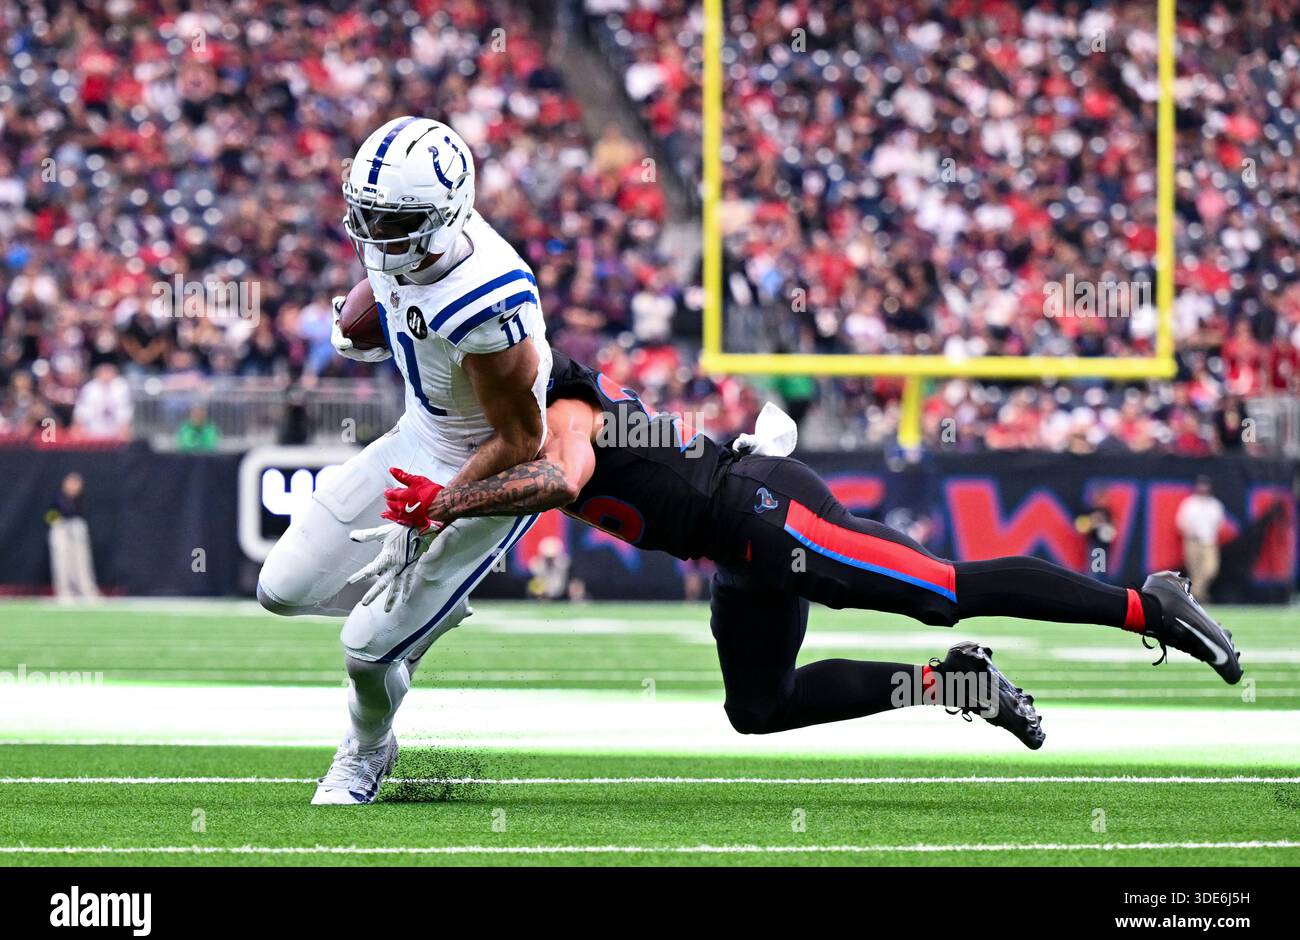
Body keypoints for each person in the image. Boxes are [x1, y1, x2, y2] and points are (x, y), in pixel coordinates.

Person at [355, 353, 1244, 753]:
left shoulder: (561, 396)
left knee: (941, 588)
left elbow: (557, 477)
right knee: (761, 708)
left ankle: (1149, 603)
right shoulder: (515, 429)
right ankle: (955, 685)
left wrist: (448, 501)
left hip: (765, 512)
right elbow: (499, 481)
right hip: (738, 546)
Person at [256, 116, 553, 804]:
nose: (375, 235)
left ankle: (365, 752)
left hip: (484, 467)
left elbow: (520, 444)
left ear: (448, 215)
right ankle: (419, 614)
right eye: (369, 216)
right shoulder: (405, 245)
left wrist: (440, 504)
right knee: (282, 589)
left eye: (396, 222)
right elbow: (394, 302)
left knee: (365, 651)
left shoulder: (488, 300)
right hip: (415, 436)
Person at [45, 472, 99, 601]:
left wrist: (76, 526)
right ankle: (64, 592)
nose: (73, 486)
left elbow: (84, 517)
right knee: (62, 562)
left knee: (81, 561)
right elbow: (49, 515)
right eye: (71, 483)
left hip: (77, 532)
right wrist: (58, 522)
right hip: (61, 532)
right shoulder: (57, 498)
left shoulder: (82, 499)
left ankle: (86, 590)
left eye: (76, 484)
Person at [1176, 475, 1226, 602]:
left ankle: (1196, 594)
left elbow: (1220, 523)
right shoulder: (1190, 503)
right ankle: (1200, 597)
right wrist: (1189, 531)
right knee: (1195, 572)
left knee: (1211, 570)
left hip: (1209, 542)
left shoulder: (1214, 504)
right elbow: (1180, 522)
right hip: (1192, 542)